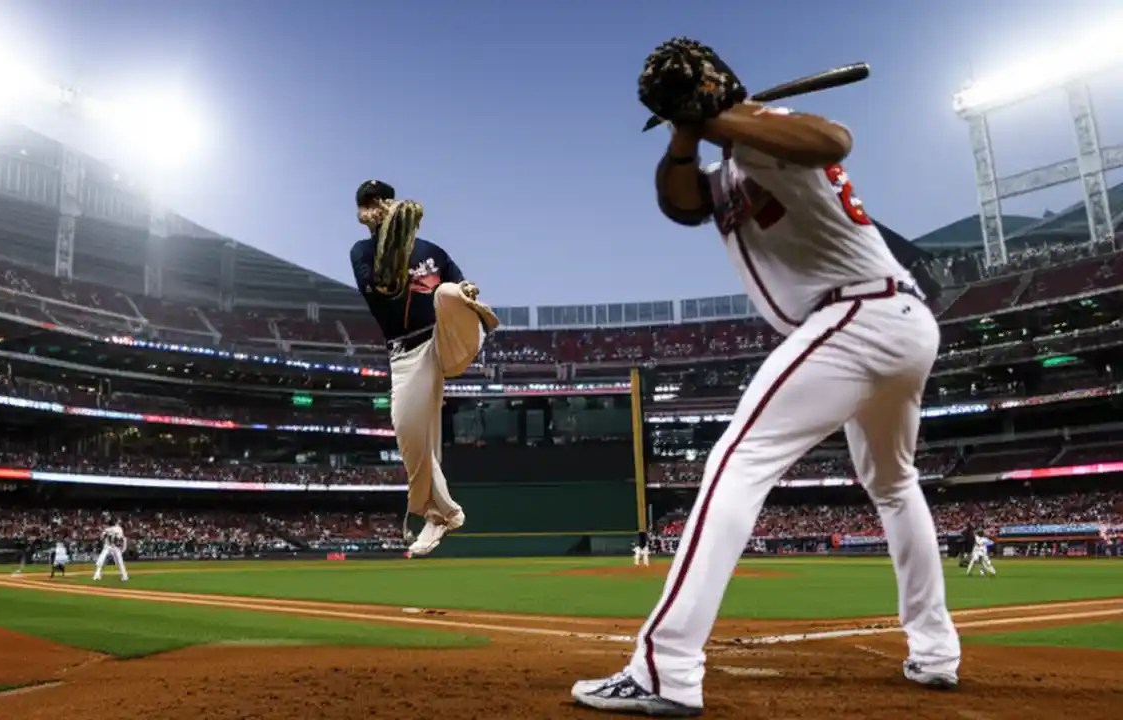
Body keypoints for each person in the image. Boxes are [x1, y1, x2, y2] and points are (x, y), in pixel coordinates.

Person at [572, 40, 960, 717]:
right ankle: (936, 652)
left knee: (737, 459)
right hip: (891, 321)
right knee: (895, 485)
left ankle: (667, 668)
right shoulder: (725, 162)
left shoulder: (766, 127)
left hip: (858, 313)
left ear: (717, 84)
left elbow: (833, 137)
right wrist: (687, 132)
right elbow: (680, 202)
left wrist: (715, 117)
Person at [349, 179, 499, 557]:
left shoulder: (433, 251)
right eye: (366, 203)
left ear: (391, 204)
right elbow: (378, 291)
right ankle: (439, 513)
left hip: (443, 339)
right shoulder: (363, 252)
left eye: (378, 200)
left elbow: (458, 283)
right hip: (406, 355)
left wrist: (468, 296)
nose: (372, 207)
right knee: (410, 436)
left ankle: (485, 323)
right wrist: (393, 257)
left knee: (449, 292)